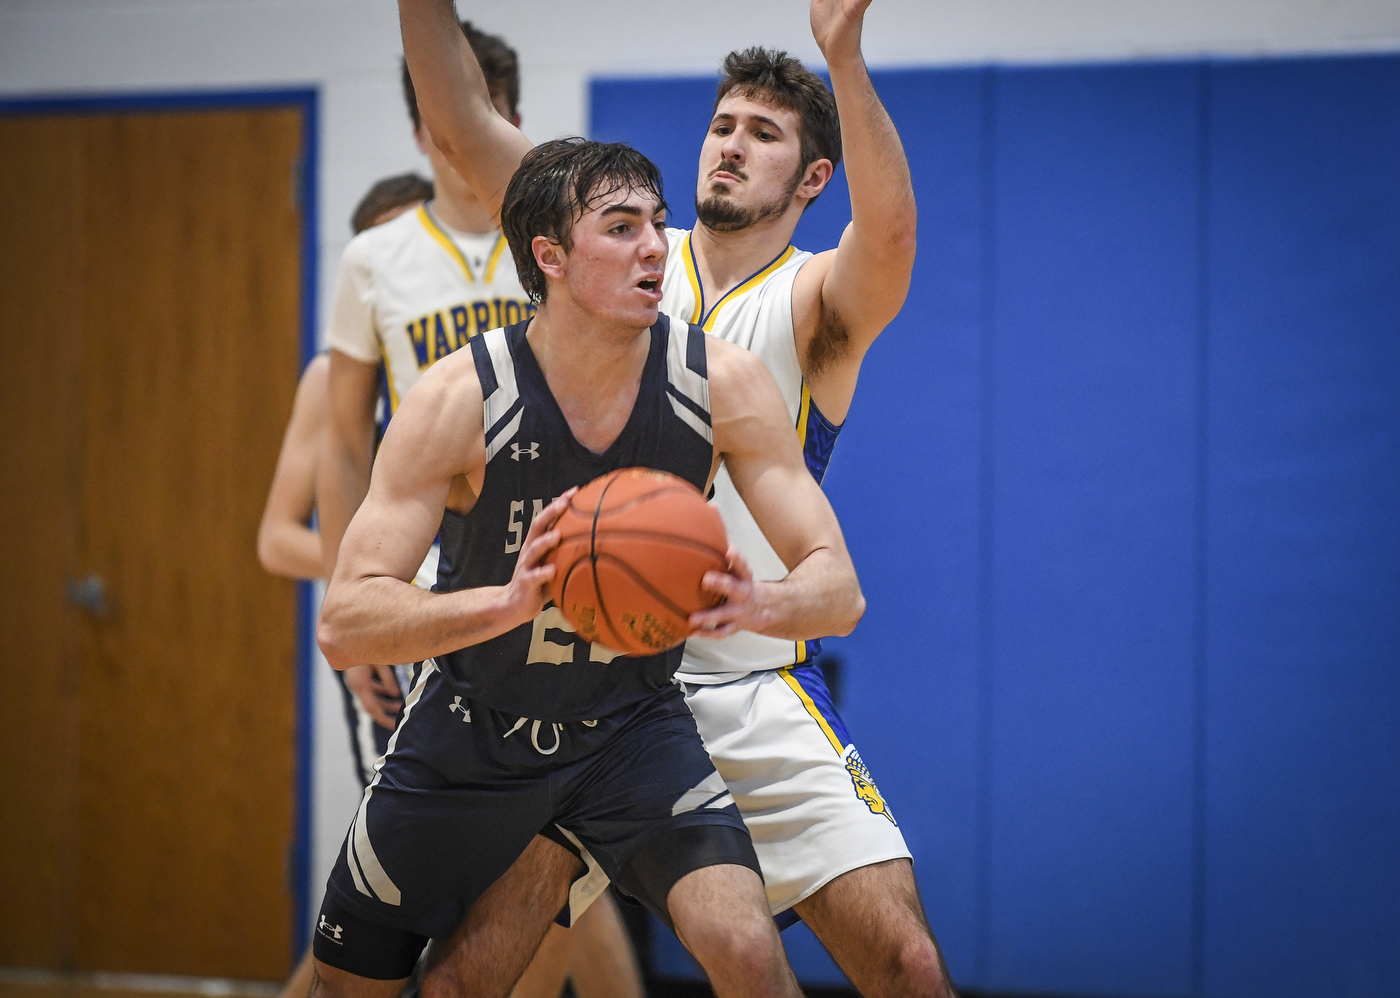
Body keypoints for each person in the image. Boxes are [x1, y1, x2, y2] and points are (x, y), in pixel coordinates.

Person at [399, 1, 956, 994]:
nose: (729, 145)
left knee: (905, 958)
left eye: (764, 132)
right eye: (721, 124)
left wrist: (844, 57)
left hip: (749, 681)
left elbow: (895, 237)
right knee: (468, 973)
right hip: (590, 691)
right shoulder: (619, 259)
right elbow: (464, 127)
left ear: (812, 177)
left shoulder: (811, 300)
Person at [312, 138, 865, 998]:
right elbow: (344, 622)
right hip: (472, 729)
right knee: (384, 984)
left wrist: (758, 601)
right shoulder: (459, 398)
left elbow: (841, 593)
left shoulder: (722, 380)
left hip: (632, 731)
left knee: (749, 952)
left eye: (655, 221)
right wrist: (508, 601)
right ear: (551, 258)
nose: (655, 246)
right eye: (620, 227)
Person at [316, 23, 644, 998]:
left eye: (491, 113)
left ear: (511, 118)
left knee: (550, 881)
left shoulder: (558, 248)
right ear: (425, 130)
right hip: (428, 584)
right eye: (453, 116)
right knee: (415, 894)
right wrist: (353, 608)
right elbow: (340, 441)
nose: (468, 133)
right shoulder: (375, 259)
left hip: (558, 573)